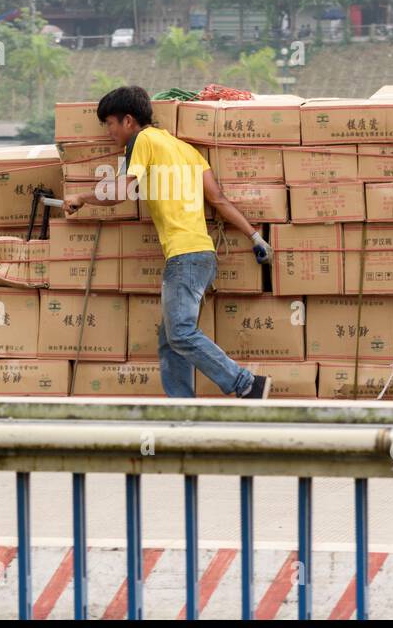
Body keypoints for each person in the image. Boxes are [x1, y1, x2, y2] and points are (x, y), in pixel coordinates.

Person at [64, 86, 275, 399]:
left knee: (180, 332)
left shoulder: (141, 141)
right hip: (202, 255)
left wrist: (80, 197)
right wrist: (255, 237)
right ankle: (180, 406)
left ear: (128, 121)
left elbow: (121, 192)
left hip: (185, 256)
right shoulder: (185, 149)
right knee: (170, 338)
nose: (108, 132)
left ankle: (246, 383)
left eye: (109, 123)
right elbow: (217, 199)